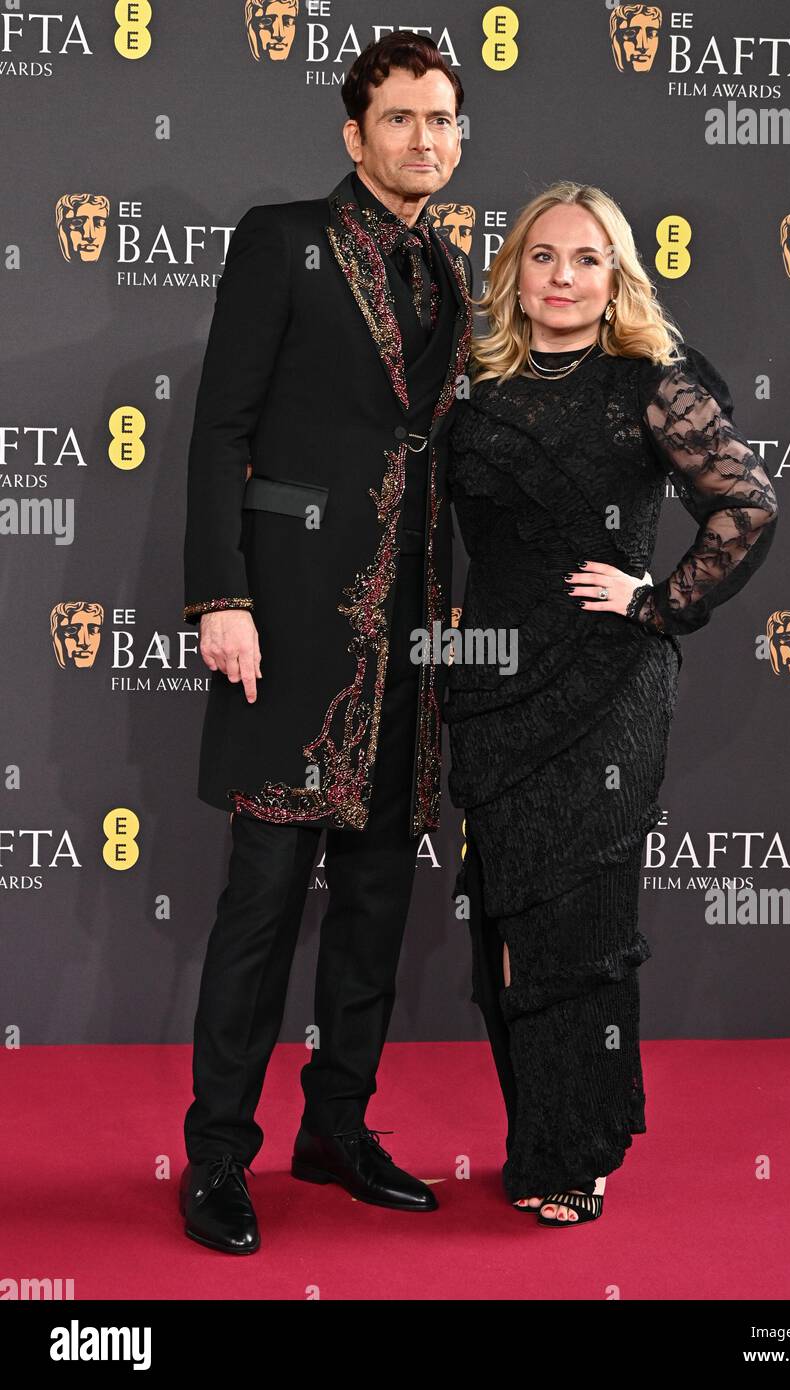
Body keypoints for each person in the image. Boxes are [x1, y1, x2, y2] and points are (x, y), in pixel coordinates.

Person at [178, 32, 472, 1254]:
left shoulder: (453, 276)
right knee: (259, 899)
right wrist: (220, 597)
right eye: (400, 118)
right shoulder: (280, 237)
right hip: (293, 621)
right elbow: (218, 428)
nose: (423, 139)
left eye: (443, 119)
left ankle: (336, 1129)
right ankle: (216, 1158)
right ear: (354, 135)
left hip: (411, 634)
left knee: (372, 902)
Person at [443, 181, 778, 1227]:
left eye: (586, 259)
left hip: (607, 682)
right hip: (495, 683)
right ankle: (534, 1135)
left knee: (582, 919)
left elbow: (747, 504)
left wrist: (659, 599)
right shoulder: (476, 387)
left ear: (616, 276)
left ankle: (577, 1151)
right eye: (542, 257)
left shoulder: (653, 383)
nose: (561, 277)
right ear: (514, 273)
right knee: (508, 924)